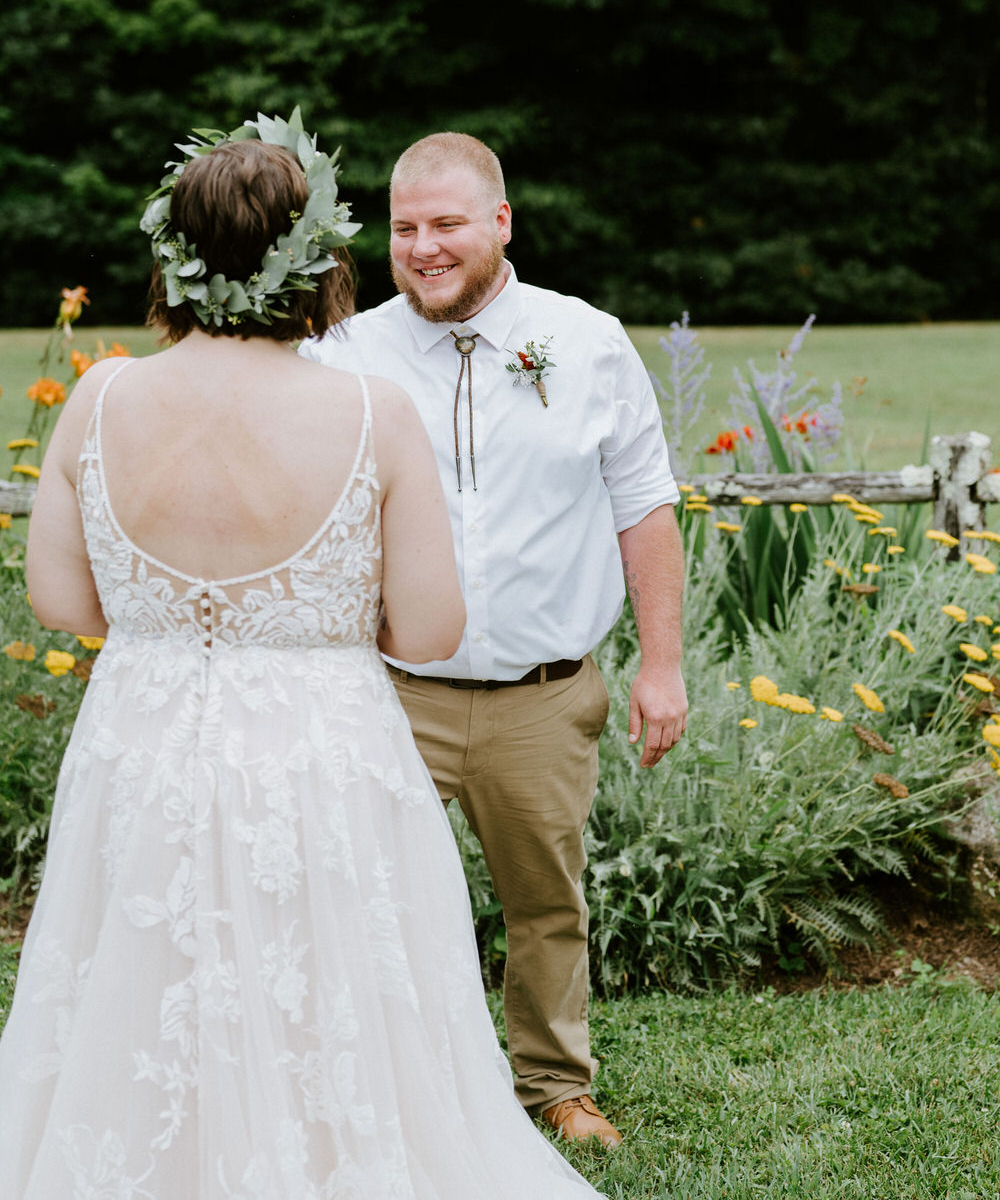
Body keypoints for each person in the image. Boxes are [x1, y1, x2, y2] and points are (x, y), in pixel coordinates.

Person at [0, 119, 605, 1198]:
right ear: (319, 259)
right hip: (319, 742)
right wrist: (312, 624)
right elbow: (428, 632)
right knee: (320, 978)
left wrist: (173, 621)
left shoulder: (99, 398)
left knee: (150, 973)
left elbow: (57, 601)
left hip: (144, 739)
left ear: (173, 252)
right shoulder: (373, 410)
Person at [302, 131, 687, 1149]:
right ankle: (371, 1088)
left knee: (544, 905)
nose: (424, 247)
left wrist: (662, 667)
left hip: (543, 693)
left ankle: (553, 1087)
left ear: (501, 224)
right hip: (386, 691)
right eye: (404, 228)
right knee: (361, 899)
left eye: (447, 225)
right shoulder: (346, 350)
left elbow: (644, 508)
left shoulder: (588, 340)